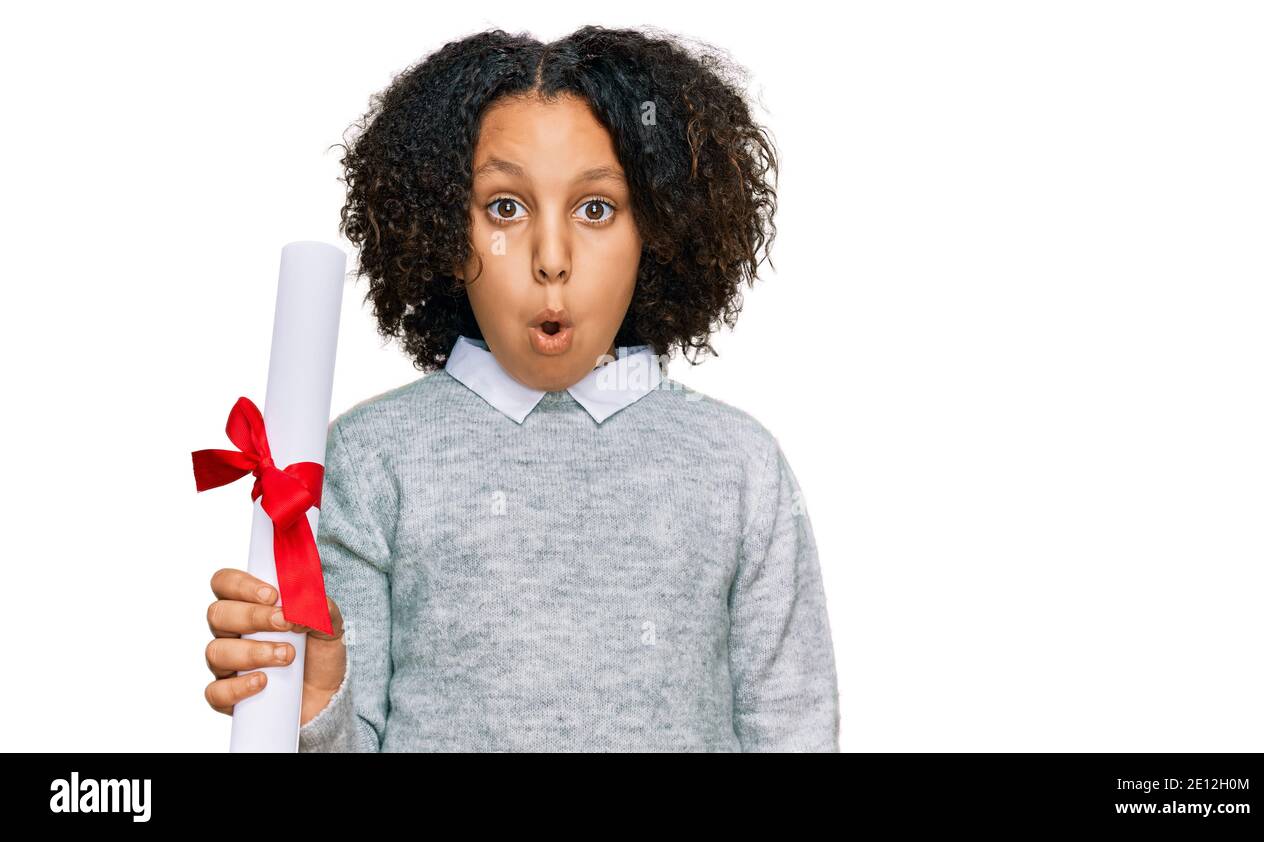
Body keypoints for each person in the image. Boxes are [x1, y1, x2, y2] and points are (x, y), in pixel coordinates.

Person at [204, 25, 839, 752]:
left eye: (596, 209)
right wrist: (315, 706)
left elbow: (794, 731)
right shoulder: (371, 460)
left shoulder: (740, 466)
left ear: (657, 230)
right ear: (445, 228)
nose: (551, 259)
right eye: (505, 207)